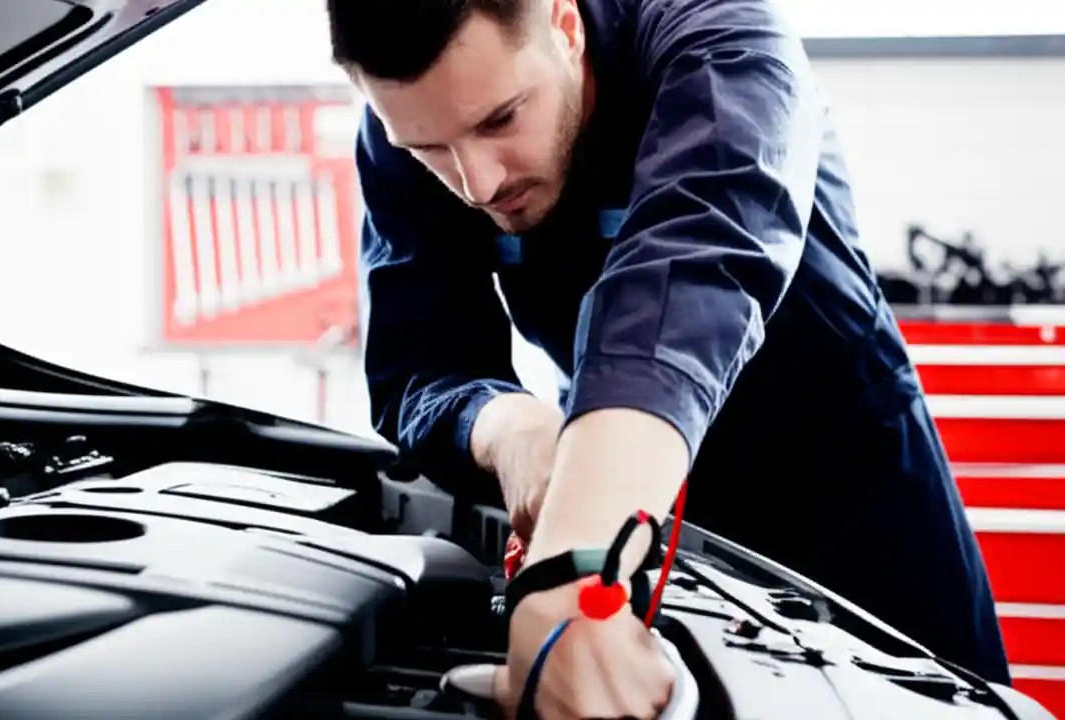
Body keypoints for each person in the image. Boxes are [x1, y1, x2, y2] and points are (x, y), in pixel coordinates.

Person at [324, 0, 1011, 716]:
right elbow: (419, 363)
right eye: (428, 151)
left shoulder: (725, 44)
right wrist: (510, 431)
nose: (475, 183)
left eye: (501, 120)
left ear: (564, 25)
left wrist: (570, 565)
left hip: (849, 479)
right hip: (625, 488)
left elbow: (685, 283)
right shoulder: (417, 120)